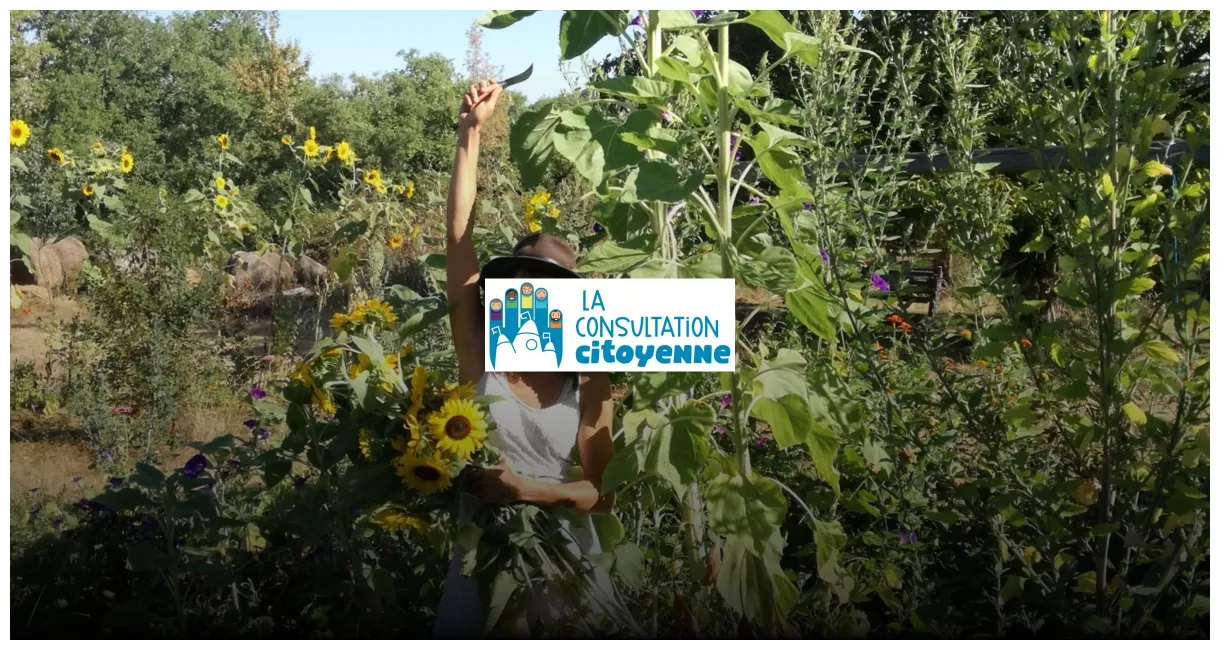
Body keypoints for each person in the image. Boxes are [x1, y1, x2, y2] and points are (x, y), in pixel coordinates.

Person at [433, 78, 620, 638]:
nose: (530, 294)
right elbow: (458, 237)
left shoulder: (589, 374)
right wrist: (469, 134)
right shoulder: (480, 355)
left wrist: (529, 491)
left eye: (545, 285)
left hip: (567, 570)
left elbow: (603, 493)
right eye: (519, 281)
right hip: (483, 564)